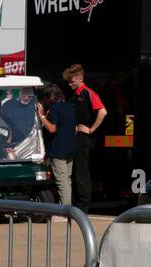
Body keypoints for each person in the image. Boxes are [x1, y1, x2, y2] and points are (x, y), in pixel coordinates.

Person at [63, 63, 106, 212]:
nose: (69, 84)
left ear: (80, 78)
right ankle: (76, 204)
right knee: (74, 171)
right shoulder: (74, 97)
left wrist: (91, 129)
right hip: (75, 138)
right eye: (68, 81)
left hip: (84, 138)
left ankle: (83, 206)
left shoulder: (88, 93)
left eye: (72, 81)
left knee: (81, 172)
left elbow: (102, 111)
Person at [37, 83, 77, 213]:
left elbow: (52, 128)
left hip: (58, 149)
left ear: (50, 97)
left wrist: (42, 115)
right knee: (67, 179)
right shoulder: (70, 107)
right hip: (71, 148)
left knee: (61, 181)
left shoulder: (55, 109)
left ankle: (65, 211)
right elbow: (74, 128)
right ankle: (66, 206)